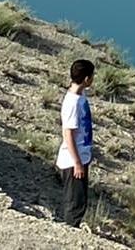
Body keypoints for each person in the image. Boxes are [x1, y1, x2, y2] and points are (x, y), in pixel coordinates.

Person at [56, 58, 95, 227]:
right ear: (86, 79)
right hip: (73, 161)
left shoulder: (79, 96)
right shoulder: (72, 103)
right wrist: (77, 163)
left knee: (80, 199)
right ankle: (70, 230)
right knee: (75, 202)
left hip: (81, 156)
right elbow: (68, 134)